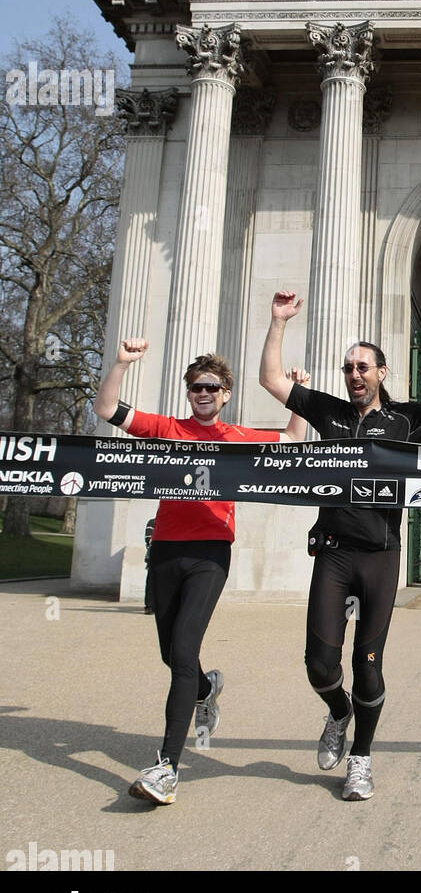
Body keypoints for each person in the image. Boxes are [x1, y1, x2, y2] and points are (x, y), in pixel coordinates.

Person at [260, 289, 421, 802]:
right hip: (334, 552)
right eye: (348, 368)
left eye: (363, 366)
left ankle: (360, 759)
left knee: (368, 663)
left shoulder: (406, 420)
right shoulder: (329, 412)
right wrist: (278, 322)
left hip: (381, 556)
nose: (354, 375)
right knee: (320, 663)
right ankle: (338, 713)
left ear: (383, 372)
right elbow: (271, 380)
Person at [93, 338, 308, 804]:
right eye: (195, 387)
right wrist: (121, 363)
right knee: (174, 655)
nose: (203, 393)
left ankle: (166, 767)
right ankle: (207, 688)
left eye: (211, 387)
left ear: (226, 393)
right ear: (188, 392)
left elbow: (293, 440)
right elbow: (106, 408)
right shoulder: (168, 428)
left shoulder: (236, 436)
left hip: (211, 553)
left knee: (184, 648)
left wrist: (297, 395)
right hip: (167, 550)